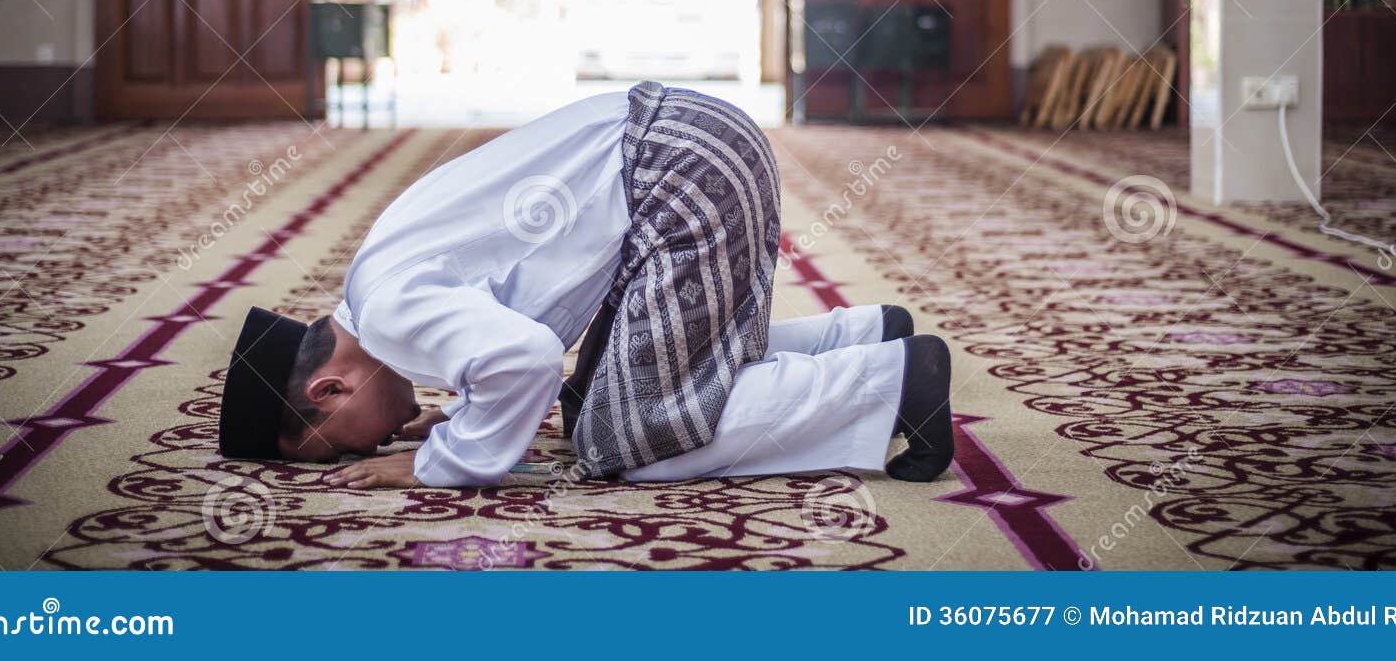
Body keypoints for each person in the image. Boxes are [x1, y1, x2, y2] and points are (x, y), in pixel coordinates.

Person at [218, 82, 953, 487]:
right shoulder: (374, 288)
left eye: (342, 447)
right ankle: (858, 334)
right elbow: (517, 345)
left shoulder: (389, 310)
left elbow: (529, 355)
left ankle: (894, 380)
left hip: (676, 175)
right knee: (591, 399)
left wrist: (439, 462)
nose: (368, 448)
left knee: (626, 439)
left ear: (329, 391)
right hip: (684, 153)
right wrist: (460, 411)